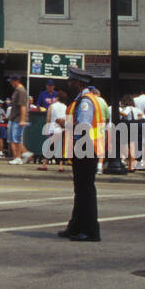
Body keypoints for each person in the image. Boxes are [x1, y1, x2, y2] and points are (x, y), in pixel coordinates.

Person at [59, 67, 101, 241]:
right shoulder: (83, 99)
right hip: (85, 147)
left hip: (86, 147)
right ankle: (76, 226)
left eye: (70, 81)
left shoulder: (85, 102)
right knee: (81, 190)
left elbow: (83, 126)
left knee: (85, 191)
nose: (68, 84)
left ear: (77, 83)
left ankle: (89, 230)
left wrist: (65, 123)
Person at [7, 75, 30, 164]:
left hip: (18, 118)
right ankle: (22, 155)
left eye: (12, 81)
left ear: (17, 81)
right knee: (14, 138)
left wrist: (22, 119)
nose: (11, 83)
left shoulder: (21, 91)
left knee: (17, 138)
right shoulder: (17, 90)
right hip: (14, 117)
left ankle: (19, 157)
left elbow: (23, 106)